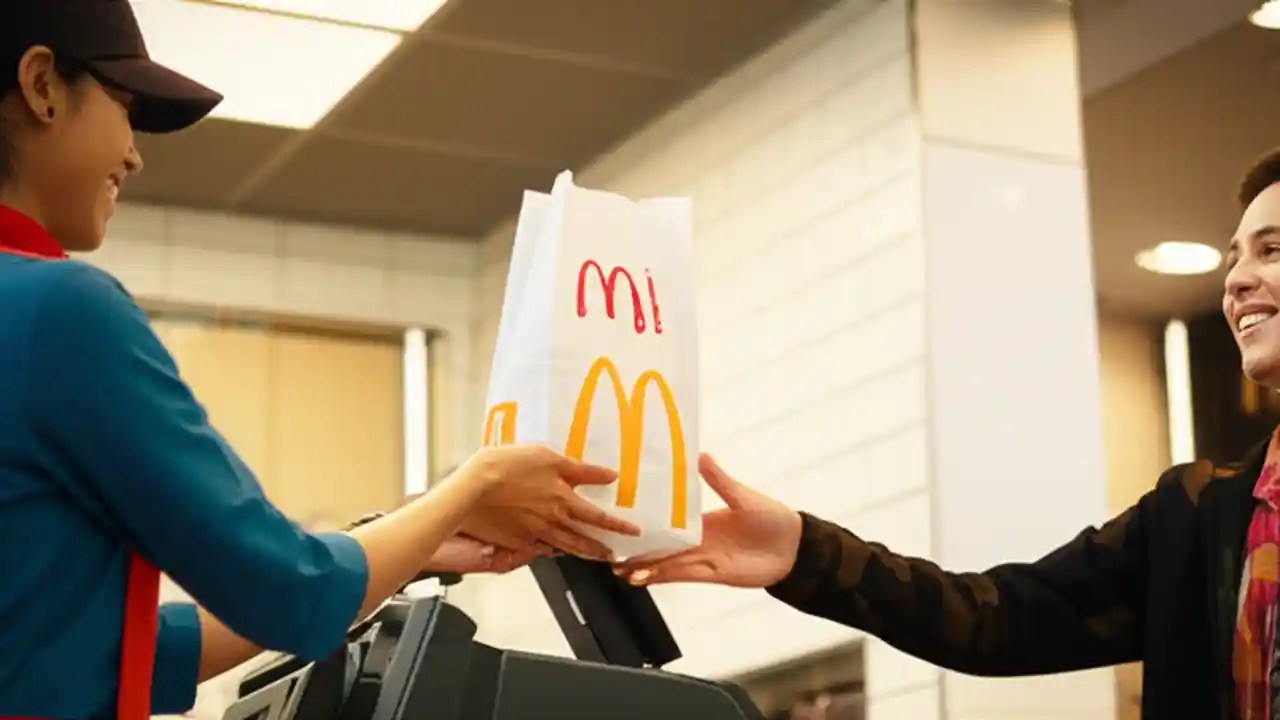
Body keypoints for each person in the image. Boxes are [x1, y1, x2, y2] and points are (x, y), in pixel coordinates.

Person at [0, 2, 638, 719]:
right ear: (43, 84)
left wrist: (408, 540)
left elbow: (120, 654)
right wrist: (474, 484)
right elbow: (289, 591)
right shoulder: (57, 311)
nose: (134, 153)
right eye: (123, 106)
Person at [617, 149, 1280, 720]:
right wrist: (803, 551)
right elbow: (993, 618)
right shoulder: (1197, 516)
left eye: (1271, 251)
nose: (1237, 279)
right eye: (1234, 258)